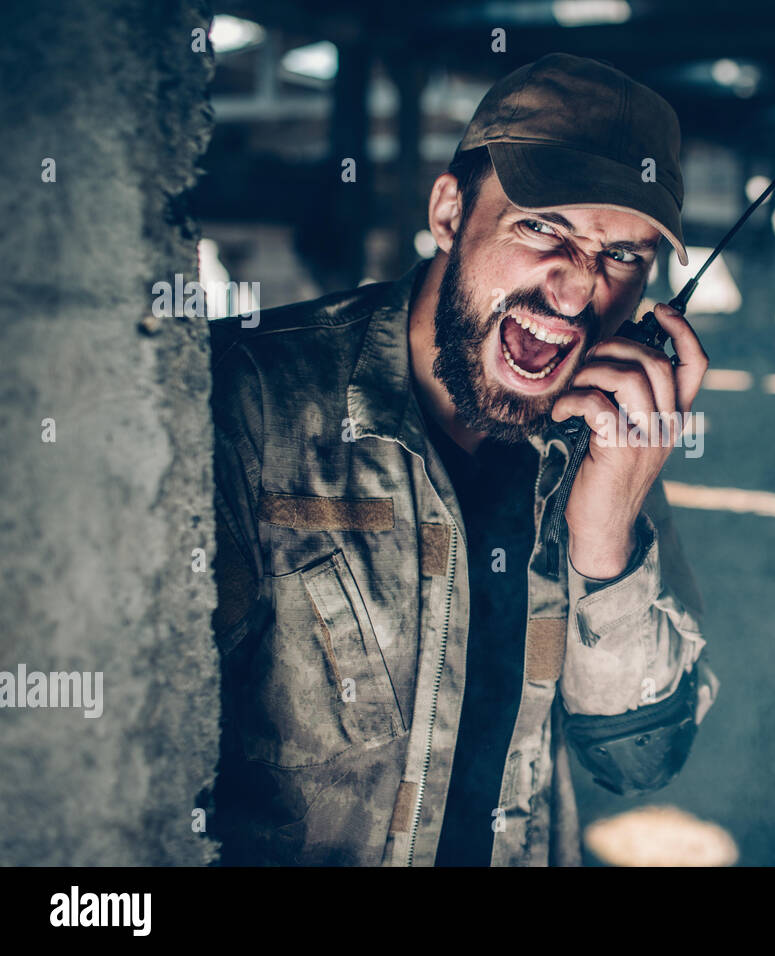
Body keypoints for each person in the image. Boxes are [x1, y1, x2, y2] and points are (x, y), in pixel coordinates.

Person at [208, 52, 719, 866]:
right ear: (450, 212)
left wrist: (605, 537)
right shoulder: (250, 400)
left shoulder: (609, 438)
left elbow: (638, 761)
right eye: (543, 227)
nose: (580, 290)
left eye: (624, 255)